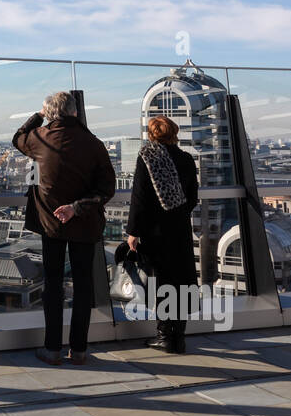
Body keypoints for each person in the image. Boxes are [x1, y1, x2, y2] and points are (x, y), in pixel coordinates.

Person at [13, 91, 116, 366]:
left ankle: (53, 348)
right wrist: (77, 207)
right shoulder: (94, 144)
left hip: (52, 225)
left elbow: (17, 138)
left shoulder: (40, 139)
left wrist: (37, 116)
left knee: (54, 286)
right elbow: (107, 188)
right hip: (84, 224)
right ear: (74, 112)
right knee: (83, 286)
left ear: (50, 114)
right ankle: (79, 350)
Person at [124, 116, 200, 353]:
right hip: (180, 228)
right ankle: (179, 336)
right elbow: (192, 197)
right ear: (174, 133)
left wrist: (133, 231)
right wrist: (178, 214)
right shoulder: (186, 159)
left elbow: (139, 198)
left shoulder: (147, 157)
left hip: (156, 231)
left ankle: (165, 336)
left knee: (163, 281)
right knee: (180, 278)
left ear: (152, 134)